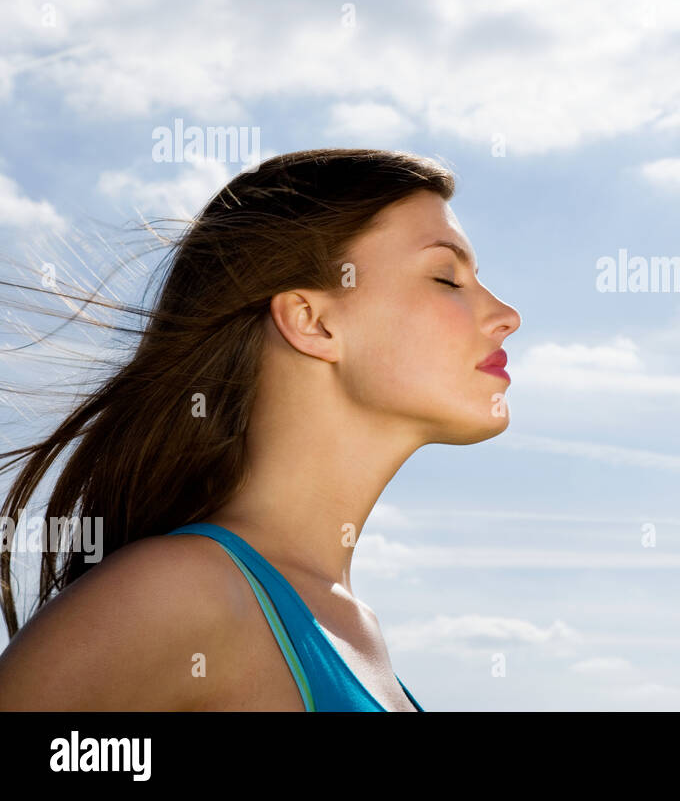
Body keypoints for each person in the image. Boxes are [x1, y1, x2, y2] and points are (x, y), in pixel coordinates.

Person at [0, 149, 521, 710]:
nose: (506, 314)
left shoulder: (353, 625)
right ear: (312, 321)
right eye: (447, 277)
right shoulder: (178, 594)